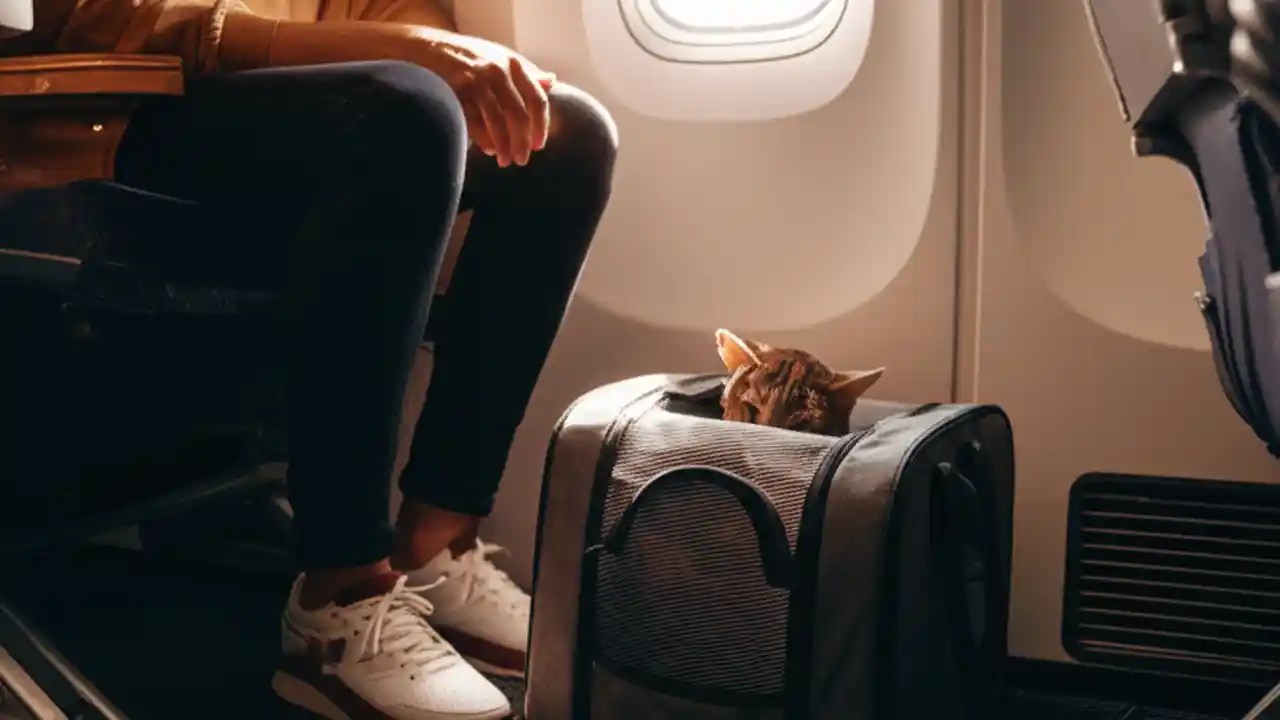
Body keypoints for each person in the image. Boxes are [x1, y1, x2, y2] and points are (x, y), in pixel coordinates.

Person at [52, 0, 618, 717]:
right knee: (408, 112)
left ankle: (435, 546)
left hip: (315, 115)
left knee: (569, 137)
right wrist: (405, 54)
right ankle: (338, 600)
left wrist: (424, 46)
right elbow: (115, 21)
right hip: (136, 106)